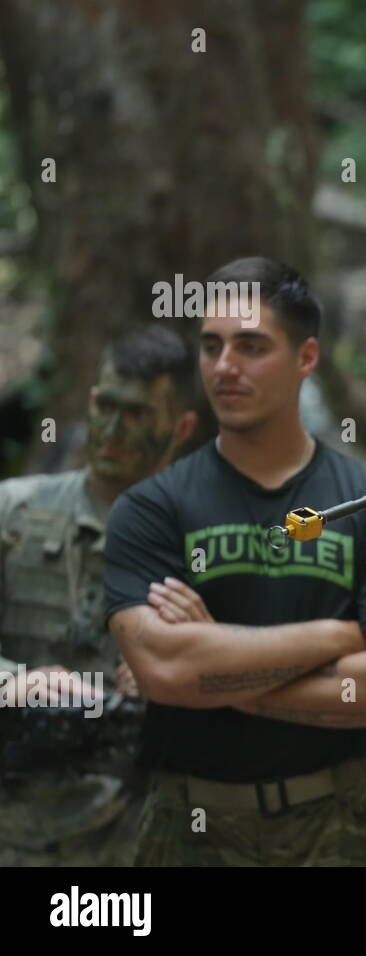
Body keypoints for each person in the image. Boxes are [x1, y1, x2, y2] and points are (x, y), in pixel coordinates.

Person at [104, 257, 366, 866]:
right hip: (192, 828)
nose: (225, 367)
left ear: (306, 358)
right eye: (212, 347)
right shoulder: (151, 510)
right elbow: (164, 670)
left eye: (252, 346)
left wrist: (217, 669)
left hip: (344, 827)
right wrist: (335, 636)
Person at [0, 326, 198, 866]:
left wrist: (184, 672)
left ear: (180, 427)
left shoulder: (210, 544)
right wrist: (15, 682)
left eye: (135, 414)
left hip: (140, 835)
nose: (111, 429)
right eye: (105, 405)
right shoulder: (13, 514)